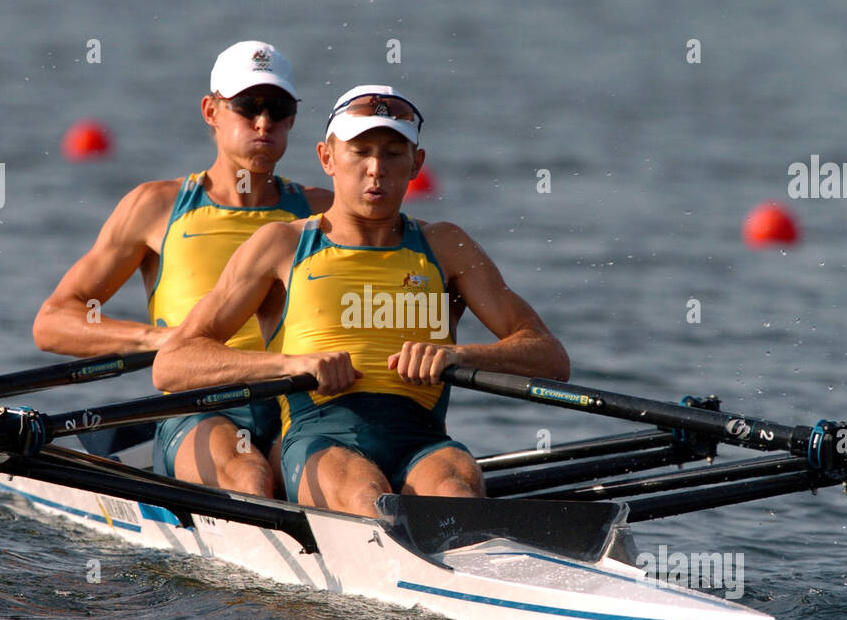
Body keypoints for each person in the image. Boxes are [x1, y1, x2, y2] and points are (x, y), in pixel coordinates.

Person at [153, 84, 569, 516]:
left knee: (456, 490)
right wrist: (291, 364)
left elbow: (551, 358)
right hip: (322, 439)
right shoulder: (280, 246)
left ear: (416, 165)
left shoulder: (447, 246)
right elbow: (174, 362)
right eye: (360, 151)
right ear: (327, 158)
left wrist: (456, 354)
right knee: (364, 495)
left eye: (393, 153)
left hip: (422, 440)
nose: (376, 169)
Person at [32, 41, 331, 496]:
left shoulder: (323, 211)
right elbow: (53, 321)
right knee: (250, 477)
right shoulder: (157, 207)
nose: (263, 122)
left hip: (303, 403)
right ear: (211, 111)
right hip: (204, 407)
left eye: (278, 108)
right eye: (247, 106)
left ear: (293, 118)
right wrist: (162, 340)